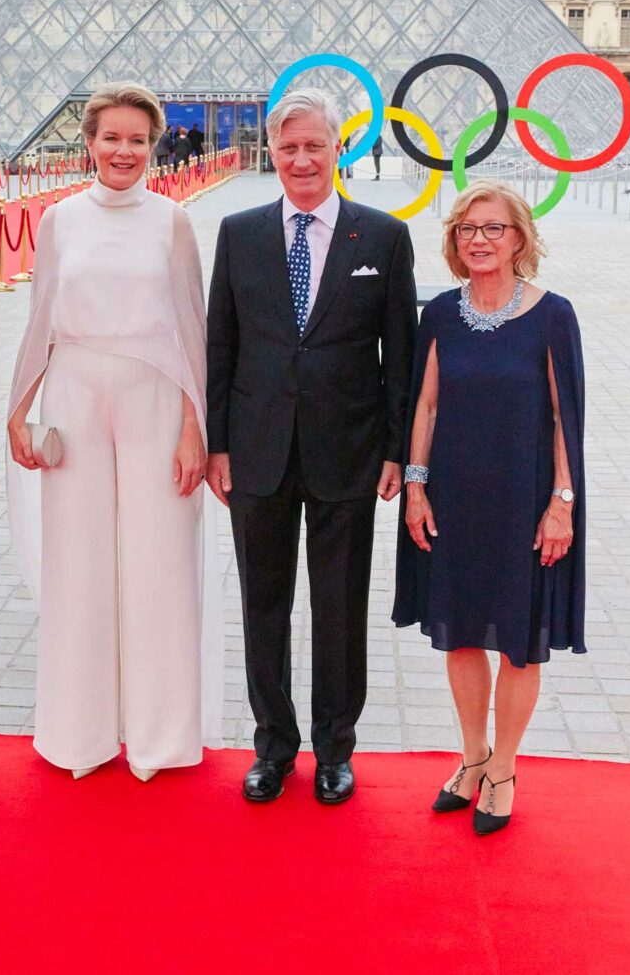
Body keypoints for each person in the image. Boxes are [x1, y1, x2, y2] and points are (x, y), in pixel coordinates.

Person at [207, 89, 417, 805]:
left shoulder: (383, 238)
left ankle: (335, 747)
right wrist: (217, 442)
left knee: (339, 607)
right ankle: (273, 745)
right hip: (257, 452)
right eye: (288, 147)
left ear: (337, 149)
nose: (300, 159)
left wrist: (395, 450)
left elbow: (401, 357)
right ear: (273, 151)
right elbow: (221, 344)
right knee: (263, 605)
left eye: (313, 146)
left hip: (350, 453)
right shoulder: (237, 232)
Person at [6, 82, 221, 781]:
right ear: (89, 142)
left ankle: (159, 736)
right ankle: (80, 732)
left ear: (153, 146)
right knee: (79, 567)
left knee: (158, 566)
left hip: (157, 399)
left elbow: (195, 331)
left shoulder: (172, 222)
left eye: (137, 139)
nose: (123, 150)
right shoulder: (61, 219)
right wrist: (18, 408)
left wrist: (196, 426)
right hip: (73, 398)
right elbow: (40, 316)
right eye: (111, 137)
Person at [393, 180, 585, 835]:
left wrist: (562, 502)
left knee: (519, 643)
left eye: (493, 227)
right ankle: (472, 755)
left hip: (524, 499)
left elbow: (566, 417)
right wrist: (415, 488)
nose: (479, 238)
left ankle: (503, 767)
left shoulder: (553, 313)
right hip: (454, 496)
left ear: (520, 237)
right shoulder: (441, 314)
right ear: (454, 240)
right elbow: (424, 403)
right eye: (467, 228)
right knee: (462, 629)